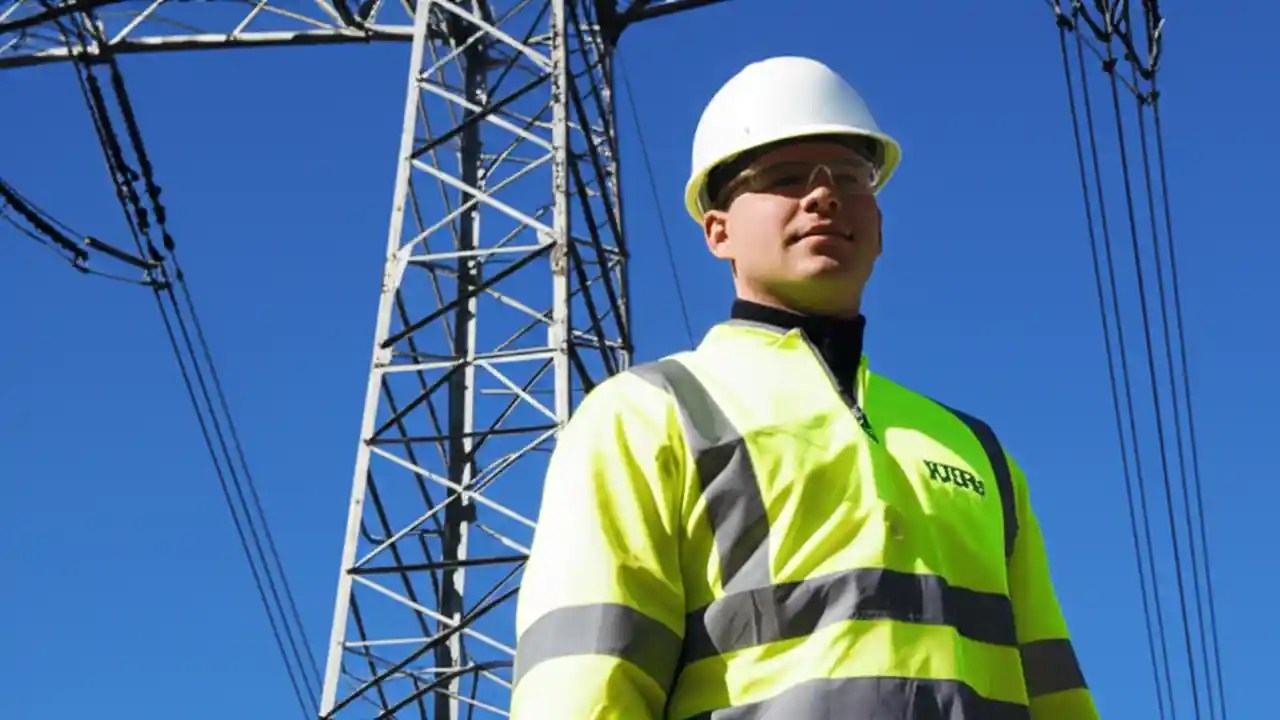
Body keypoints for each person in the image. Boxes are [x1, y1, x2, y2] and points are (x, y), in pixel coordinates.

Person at [510, 55, 1099, 719]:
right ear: (718, 231)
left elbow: (1056, 693)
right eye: (785, 179)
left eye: (851, 179)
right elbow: (585, 683)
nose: (824, 196)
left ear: (877, 223)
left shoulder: (975, 452)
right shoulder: (650, 414)